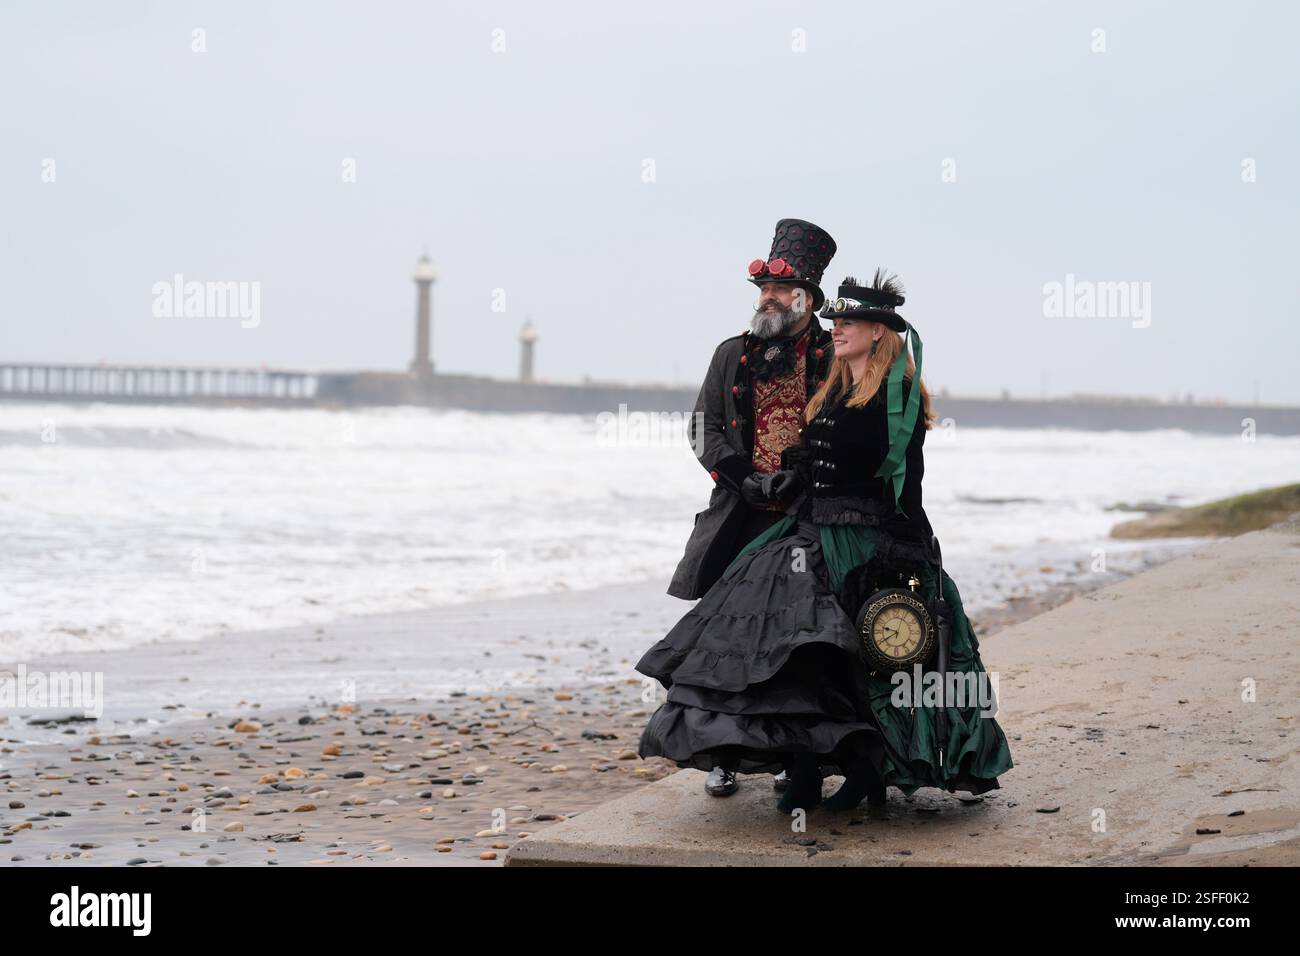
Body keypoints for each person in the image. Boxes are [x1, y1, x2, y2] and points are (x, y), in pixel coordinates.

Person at [637, 270, 1014, 813]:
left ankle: (862, 771)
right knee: (785, 649)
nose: (835, 328)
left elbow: (900, 476)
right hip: (790, 522)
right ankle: (797, 767)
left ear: (880, 332)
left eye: (847, 321)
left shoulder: (892, 391)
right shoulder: (812, 377)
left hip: (860, 536)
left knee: (846, 656)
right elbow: (711, 429)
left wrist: (907, 548)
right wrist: (752, 475)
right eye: (834, 320)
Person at [666, 218, 837, 798]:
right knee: (727, 643)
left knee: (795, 644)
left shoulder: (832, 354)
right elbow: (701, 428)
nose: (766, 298)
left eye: (779, 290)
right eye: (761, 289)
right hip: (740, 516)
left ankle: (795, 755)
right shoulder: (730, 354)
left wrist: (803, 471)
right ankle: (724, 755)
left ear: (806, 298)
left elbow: (848, 425)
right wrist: (744, 478)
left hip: (809, 517)